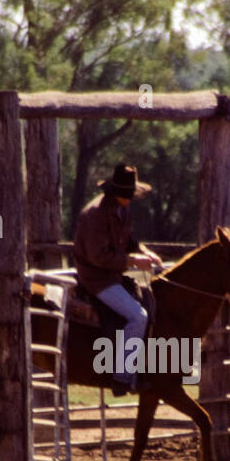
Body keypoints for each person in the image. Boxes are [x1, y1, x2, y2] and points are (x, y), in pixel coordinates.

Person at [73, 162, 163, 393]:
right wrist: (133, 261)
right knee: (138, 316)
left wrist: (144, 252)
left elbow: (129, 241)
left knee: (150, 303)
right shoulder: (96, 214)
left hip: (112, 275)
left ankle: (140, 366)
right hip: (96, 279)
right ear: (116, 192)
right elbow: (98, 256)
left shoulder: (121, 209)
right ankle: (122, 376)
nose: (130, 198)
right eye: (127, 194)